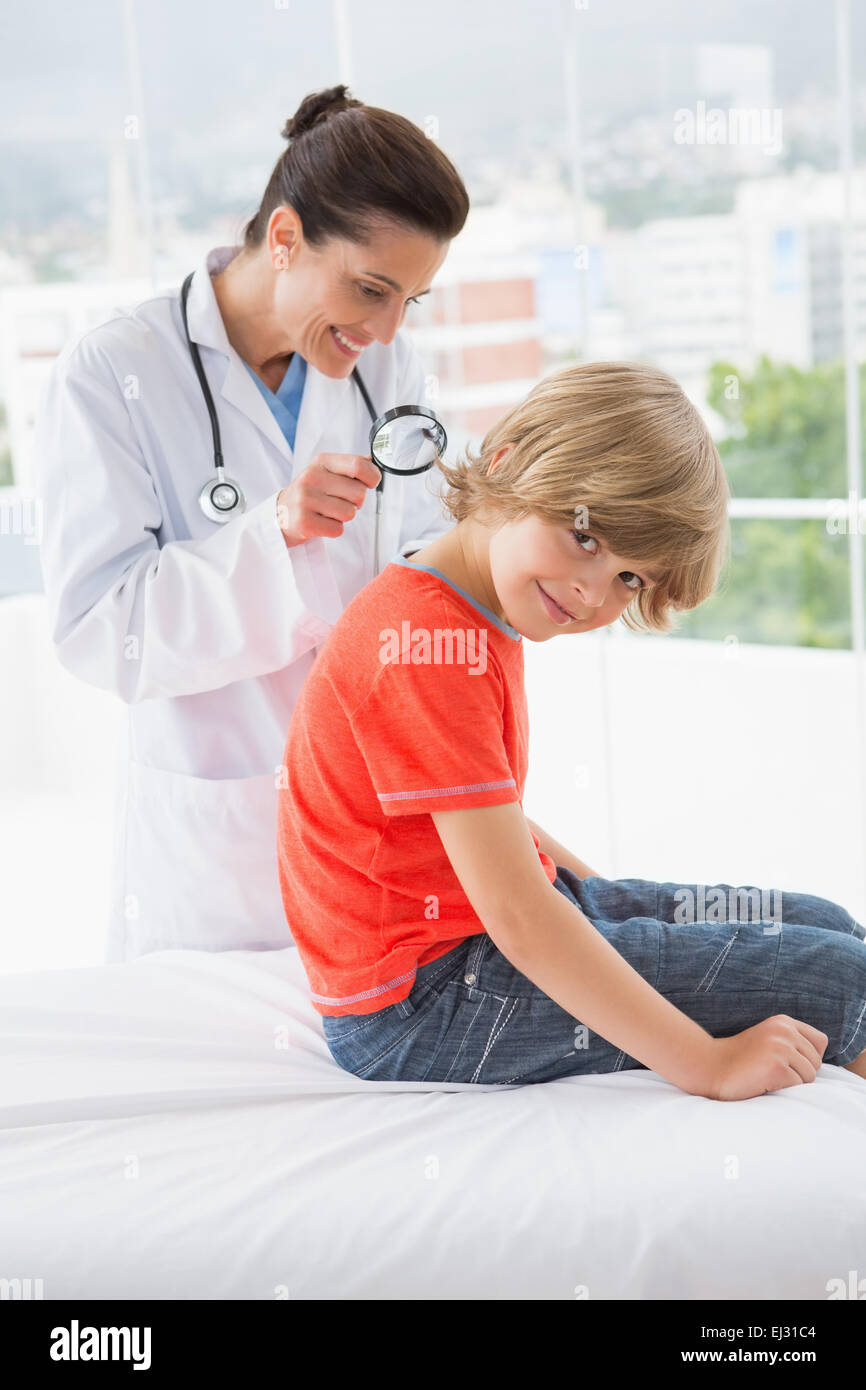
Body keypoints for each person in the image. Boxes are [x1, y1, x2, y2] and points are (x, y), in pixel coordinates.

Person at [276, 360, 866, 1100]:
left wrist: (605, 900)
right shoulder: (426, 640)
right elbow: (519, 917)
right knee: (837, 976)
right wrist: (705, 1064)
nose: (594, 591)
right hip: (416, 1007)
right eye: (587, 539)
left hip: (478, 939)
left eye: (630, 580)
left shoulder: (466, 606)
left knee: (821, 919)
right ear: (509, 463)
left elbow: (494, 826)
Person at [34, 85, 468, 962]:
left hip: (370, 817)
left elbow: (419, 557)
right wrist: (273, 533)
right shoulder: (114, 371)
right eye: (371, 289)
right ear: (283, 238)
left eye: (409, 302)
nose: (385, 331)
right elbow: (98, 629)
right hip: (215, 836)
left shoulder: (385, 369)